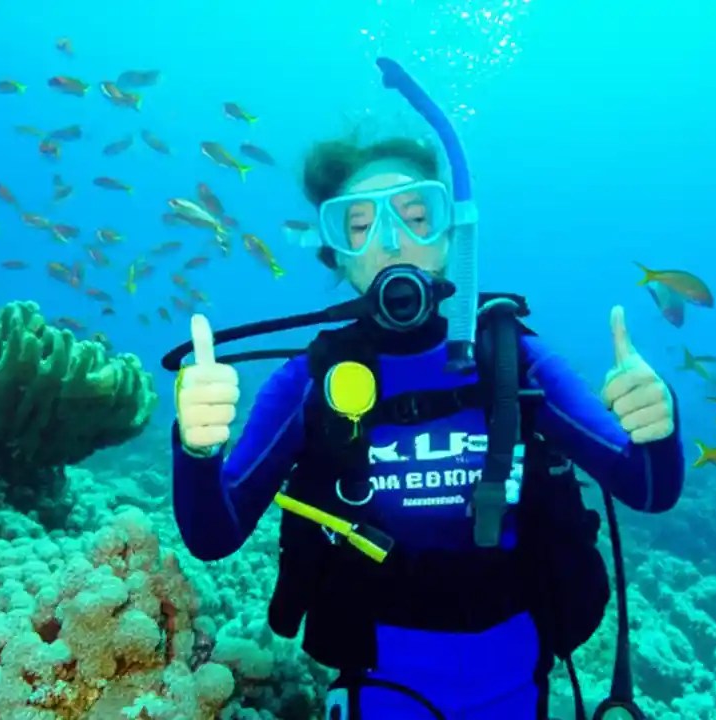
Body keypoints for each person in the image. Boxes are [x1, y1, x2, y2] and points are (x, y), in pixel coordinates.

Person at [167, 59, 685, 720]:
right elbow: (214, 533)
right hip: (379, 685)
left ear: (451, 240)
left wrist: (656, 427)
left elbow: (648, 487)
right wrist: (196, 449)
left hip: (517, 684)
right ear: (339, 255)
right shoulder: (309, 381)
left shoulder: (512, 359)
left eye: (417, 217)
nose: (392, 244)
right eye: (360, 225)